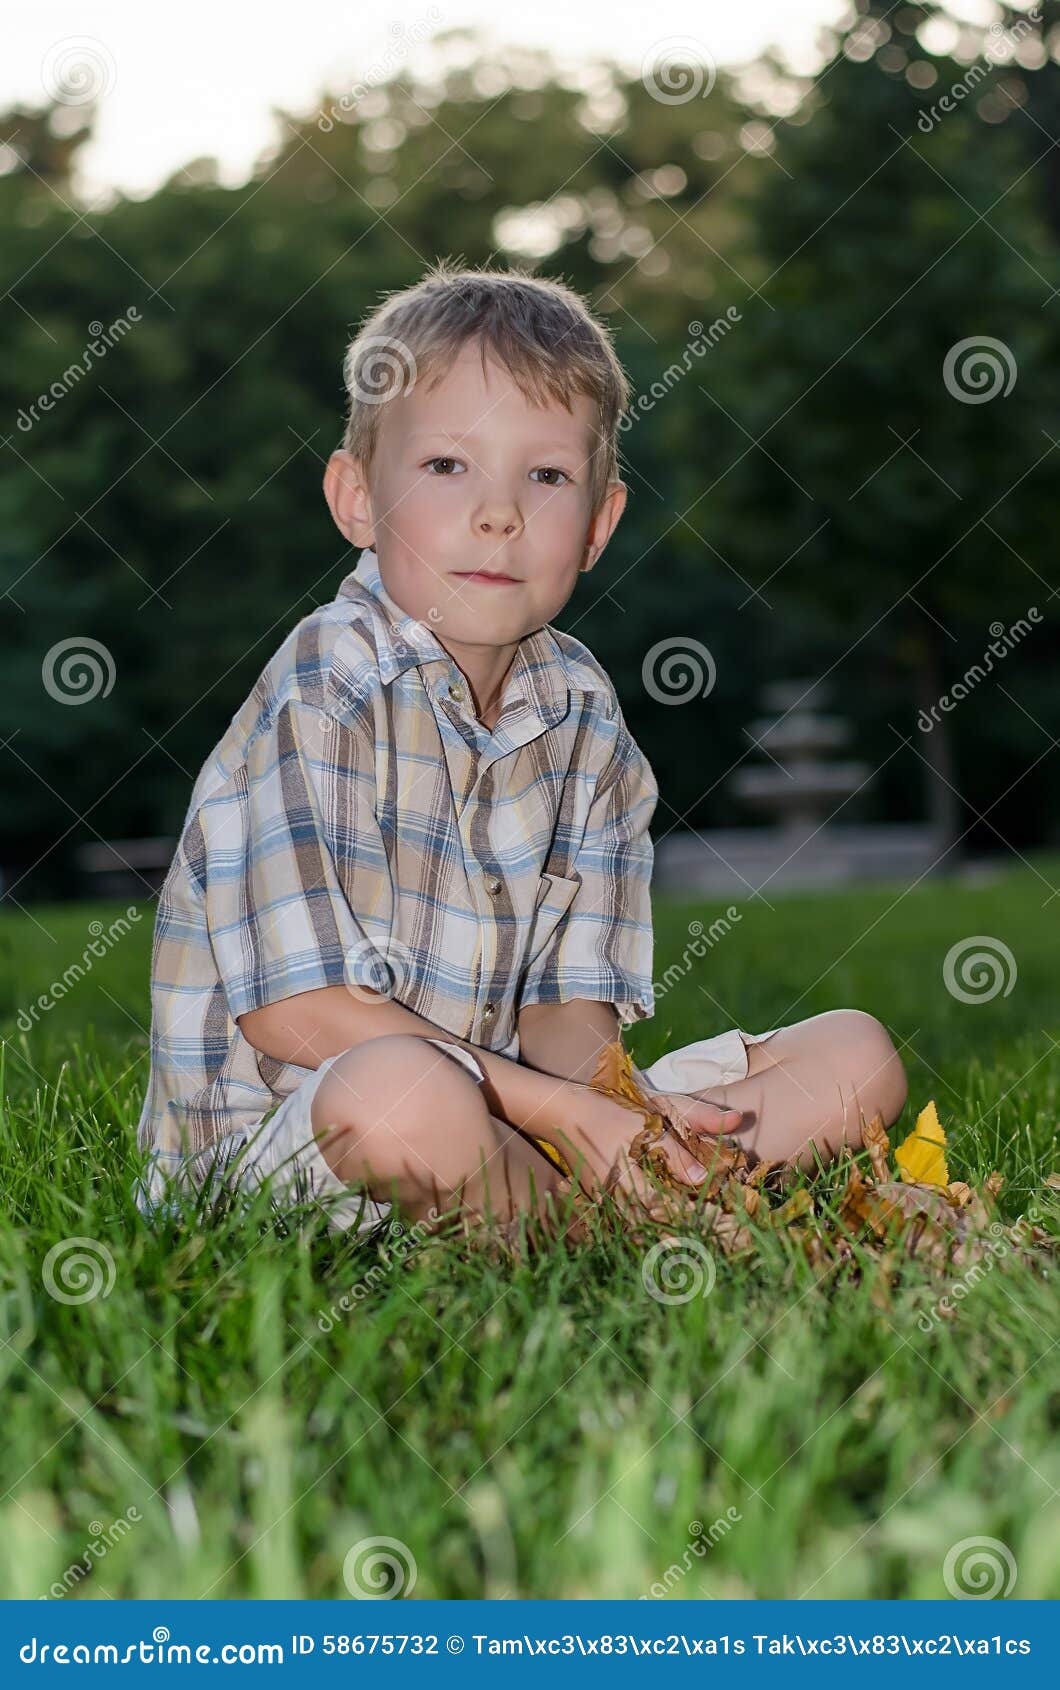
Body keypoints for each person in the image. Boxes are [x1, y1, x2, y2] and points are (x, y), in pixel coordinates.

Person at [136, 261, 908, 1238]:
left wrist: (620, 1114)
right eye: (447, 466)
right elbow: (300, 1016)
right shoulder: (321, 693)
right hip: (292, 1141)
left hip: (526, 1118)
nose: (498, 512)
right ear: (357, 498)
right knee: (398, 1093)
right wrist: (567, 1116)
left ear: (598, 523)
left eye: (545, 476)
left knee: (856, 1052)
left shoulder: (584, 715)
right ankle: (603, 1231)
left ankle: (595, 1201)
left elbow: (567, 1008)